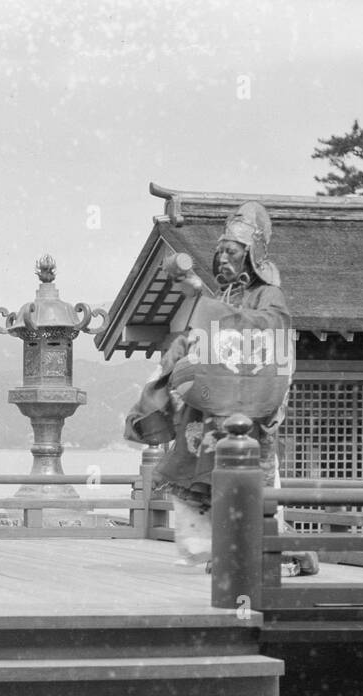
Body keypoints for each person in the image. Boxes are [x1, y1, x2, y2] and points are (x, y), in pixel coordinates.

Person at [126, 201, 309, 570]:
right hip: (213, 413)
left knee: (251, 483)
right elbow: (205, 337)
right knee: (212, 481)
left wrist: (207, 303)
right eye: (220, 252)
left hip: (249, 409)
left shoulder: (269, 296)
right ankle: (228, 550)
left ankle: (275, 552)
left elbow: (272, 335)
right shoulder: (222, 296)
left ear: (251, 256)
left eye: (232, 252)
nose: (223, 259)